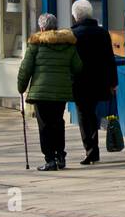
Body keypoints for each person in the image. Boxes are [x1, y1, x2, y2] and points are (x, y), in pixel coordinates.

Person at [17, 13, 83, 171]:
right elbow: (78, 67)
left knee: (45, 126)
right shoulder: (68, 44)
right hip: (60, 93)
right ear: (56, 26)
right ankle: (60, 156)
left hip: (41, 93)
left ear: (41, 28)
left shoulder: (36, 44)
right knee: (58, 123)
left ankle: (50, 160)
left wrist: (21, 87)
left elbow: (26, 69)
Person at [70, 0, 118, 165]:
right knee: (93, 114)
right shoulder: (102, 33)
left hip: (80, 82)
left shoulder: (73, 35)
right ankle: (93, 150)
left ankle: (91, 150)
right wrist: (113, 82)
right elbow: (110, 59)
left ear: (76, 16)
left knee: (84, 116)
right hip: (100, 81)